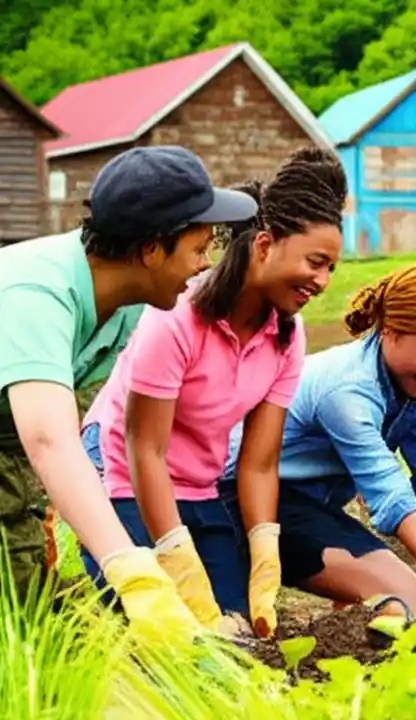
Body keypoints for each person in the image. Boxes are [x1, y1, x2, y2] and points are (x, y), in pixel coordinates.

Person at [79, 147, 345, 637]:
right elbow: (144, 449)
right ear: (264, 245)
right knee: (161, 628)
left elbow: (259, 463)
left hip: (199, 484)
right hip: (124, 473)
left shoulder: (288, 337)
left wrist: (264, 546)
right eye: (316, 262)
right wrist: (173, 554)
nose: (323, 281)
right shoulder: (177, 316)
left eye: (332, 268)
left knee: (237, 631)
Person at [0, 146, 257, 639]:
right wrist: (130, 569)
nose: (205, 265)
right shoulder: (38, 296)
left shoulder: (130, 303)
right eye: (199, 249)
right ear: (151, 249)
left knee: (26, 620)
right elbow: (50, 441)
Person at [223, 264, 416, 621]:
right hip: (243, 499)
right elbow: (389, 492)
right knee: (410, 600)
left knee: (409, 600)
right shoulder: (348, 391)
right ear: (390, 333)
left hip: (308, 508)